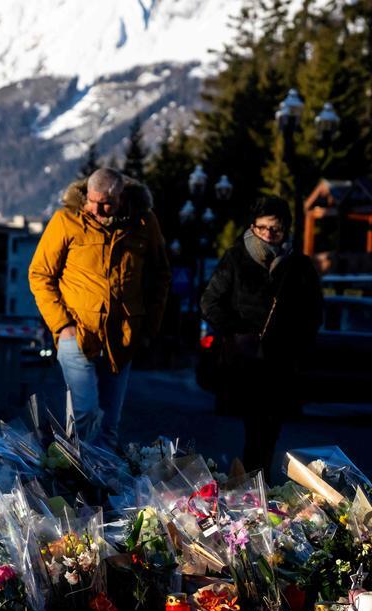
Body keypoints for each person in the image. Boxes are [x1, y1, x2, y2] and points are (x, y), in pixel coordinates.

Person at [29, 168, 171, 448]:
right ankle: (72, 470)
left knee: (108, 425)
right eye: (91, 201)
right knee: (85, 412)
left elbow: (160, 276)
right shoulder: (66, 221)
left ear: (121, 197)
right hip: (77, 334)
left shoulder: (143, 223)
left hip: (122, 337)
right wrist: (62, 325)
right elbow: (40, 274)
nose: (96, 209)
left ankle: (98, 485)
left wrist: (148, 328)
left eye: (105, 203)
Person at [200, 197, 322, 474]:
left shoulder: (299, 265)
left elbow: (314, 311)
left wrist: (298, 342)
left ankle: (256, 486)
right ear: (252, 227)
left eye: (275, 229)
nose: (268, 234)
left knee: (269, 430)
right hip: (245, 360)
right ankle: (252, 488)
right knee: (255, 428)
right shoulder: (236, 258)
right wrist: (237, 329)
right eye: (262, 227)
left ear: (285, 230)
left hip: (281, 360)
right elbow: (209, 302)